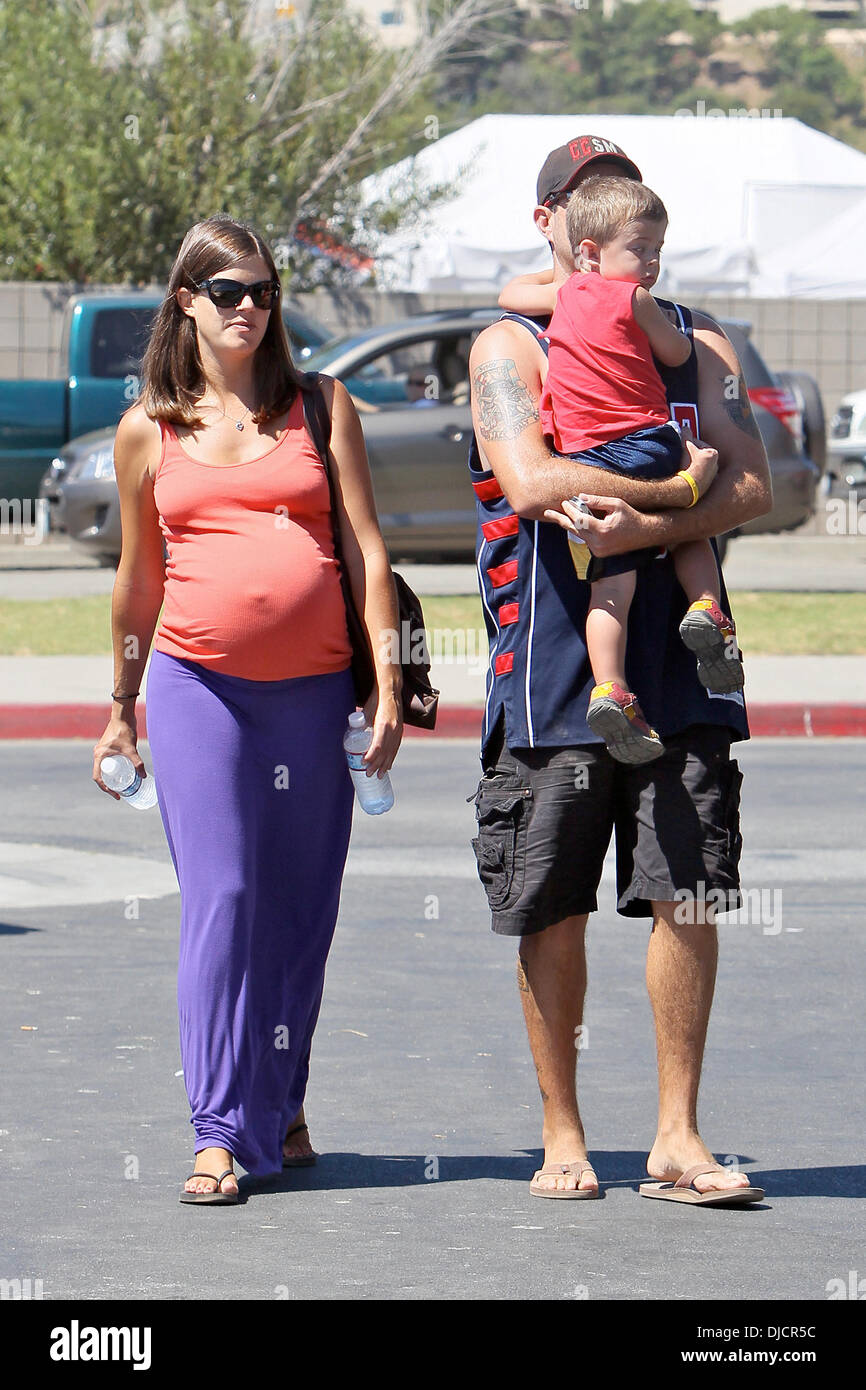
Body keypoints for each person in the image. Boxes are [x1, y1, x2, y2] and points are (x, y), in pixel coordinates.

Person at [468, 135, 771, 1204]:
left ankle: (676, 1141)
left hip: (685, 671)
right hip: (555, 670)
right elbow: (528, 479)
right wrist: (673, 502)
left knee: (685, 888)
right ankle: (562, 1134)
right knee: (552, 900)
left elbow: (752, 489)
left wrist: (634, 518)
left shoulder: (698, 342)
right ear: (550, 220)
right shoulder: (510, 347)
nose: (614, 237)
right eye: (577, 205)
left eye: (627, 209)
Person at [92, 215, 402, 1204]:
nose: (248, 308)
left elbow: (365, 551)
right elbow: (139, 586)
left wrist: (387, 684)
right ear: (185, 299)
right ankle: (220, 1130)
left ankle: (279, 1098)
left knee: (299, 914)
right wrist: (119, 706)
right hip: (196, 690)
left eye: (263, 291)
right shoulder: (151, 427)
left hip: (312, 699)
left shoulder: (321, 406)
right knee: (223, 903)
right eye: (227, 290)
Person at [498, 175, 743, 764]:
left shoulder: (563, 300)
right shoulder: (636, 300)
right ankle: (707, 609)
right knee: (691, 518)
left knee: (610, 590)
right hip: (649, 443)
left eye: (658, 249)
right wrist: (686, 486)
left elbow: (509, 293)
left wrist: (575, 274)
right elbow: (678, 354)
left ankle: (610, 688)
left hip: (587, 456)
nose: (652, 261)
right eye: (641, 249)